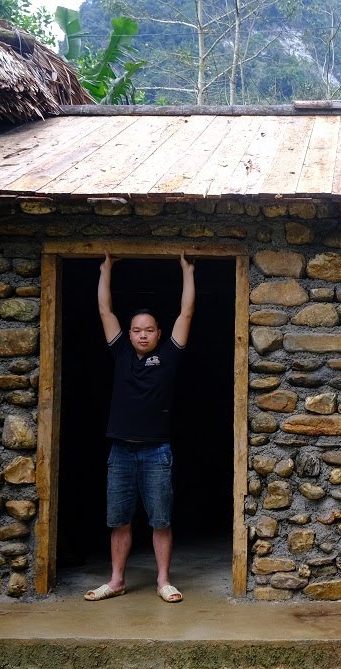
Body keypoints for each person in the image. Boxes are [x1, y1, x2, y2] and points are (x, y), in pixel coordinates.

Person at [85, 251, 194, 603]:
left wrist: (187, 272)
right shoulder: (120, 354)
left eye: (149, 330)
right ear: (129, 334)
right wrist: (105, 271)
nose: (142, 335)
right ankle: (116, 580)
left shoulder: (170, 357)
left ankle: (163, 581)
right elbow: (105, 311)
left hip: (157, 451)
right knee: (119, 519)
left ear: (158, 333)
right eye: (136, 330)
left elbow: (186, 312)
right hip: (120, 451)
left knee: (160, 519)